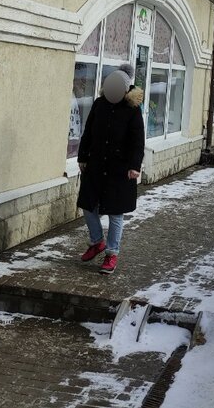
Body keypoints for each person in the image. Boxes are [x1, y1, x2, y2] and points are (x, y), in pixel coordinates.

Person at [76, 64, 145, 274]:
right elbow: (88, 131)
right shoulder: (99, 104)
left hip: (120, 169)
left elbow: (137, 140)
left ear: (125, 88)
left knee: (115, 213)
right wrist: (83, 156)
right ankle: (97, 241)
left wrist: (135, 166)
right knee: (88, 205)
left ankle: (111, 254)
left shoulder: (132, 109)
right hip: (96, 164)